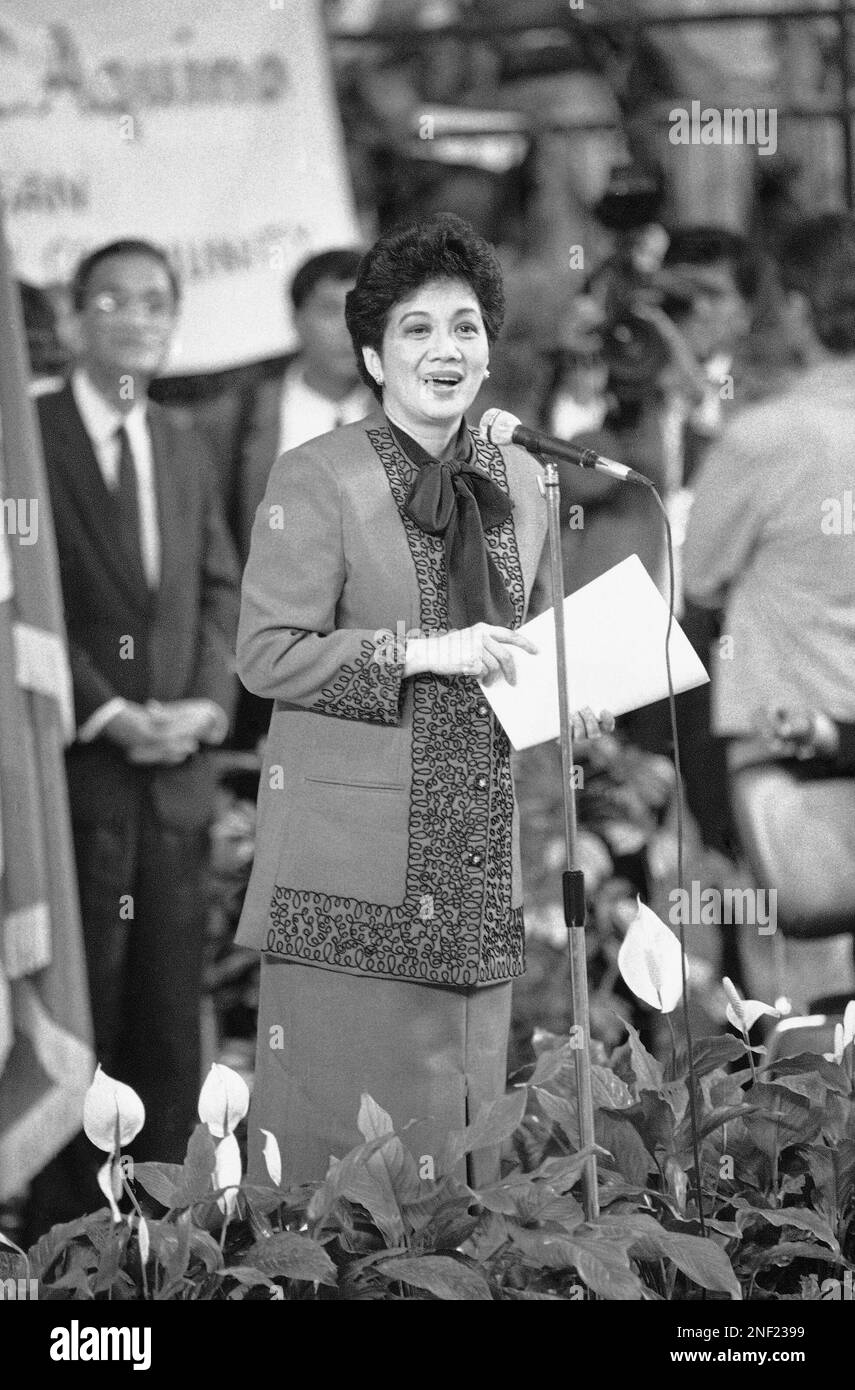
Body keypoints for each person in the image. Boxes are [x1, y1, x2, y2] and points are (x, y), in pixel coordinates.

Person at [234, 214, 613, 1187]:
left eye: (466, 327)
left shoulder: (521, 478)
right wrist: (423, 651)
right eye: (416, 329)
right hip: (345, 868)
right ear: (371, 352)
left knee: (459, 1155)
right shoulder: (315, 476)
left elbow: (520, 647)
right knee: (341, 1164)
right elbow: (266, 655)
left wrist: (569, 698)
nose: (445, 348)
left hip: (476, 857)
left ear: (490, 351)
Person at [28, 238, 240, 1232]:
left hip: (178, 780)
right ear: (75, 317)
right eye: (116, 300)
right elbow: (22, 610)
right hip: (73, 773)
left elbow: (217, 588)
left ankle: (169, 1227)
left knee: (167, 1011)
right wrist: (109, 711)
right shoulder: (24, 433)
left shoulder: (183, 437)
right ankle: (71, 1224)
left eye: (159, 301)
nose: (140, 318)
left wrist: (202, 703)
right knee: (86, 1011)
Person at [236, 248, 371, 564]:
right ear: (297, 320)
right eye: (329, 310)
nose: (347, 328)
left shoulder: (410, 414)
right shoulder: (244, 415)